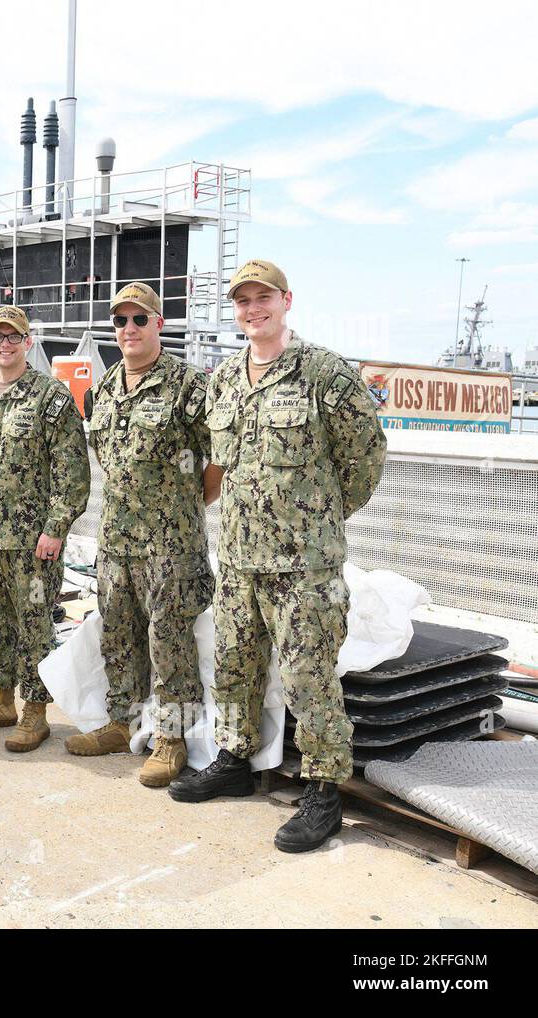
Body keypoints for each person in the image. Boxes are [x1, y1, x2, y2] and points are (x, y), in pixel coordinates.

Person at [168, 259, 387, 854]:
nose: (252, 309)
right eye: (242, 301)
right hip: (238, 558)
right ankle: (235, 761)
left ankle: (323, 793)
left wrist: (321, 516)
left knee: (308, 679)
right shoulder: (224, 381)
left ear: (286, 301)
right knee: (235, 668)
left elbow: (366, 454)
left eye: (263, 298)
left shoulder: (323, 373)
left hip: (303, 566)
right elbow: (218, 461)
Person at [67, 282, 217, 787]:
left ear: (159, 324)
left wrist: (187, 505)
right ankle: (121, 722)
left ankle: (171, 739)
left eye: (139, 319)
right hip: (117, 541)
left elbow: (214, 461)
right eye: (120, 321)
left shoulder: (189, 387)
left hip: (172, 545)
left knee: (169, 639)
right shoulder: (105, 389)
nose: (128, 329)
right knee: (118, 633)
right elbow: (108, 458)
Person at [0, 306, 90, 752]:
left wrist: (55, 529)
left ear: (27, 342)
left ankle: (34, 711)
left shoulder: (50, 397)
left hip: (33, 542)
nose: (5, 344)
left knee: (33, 626)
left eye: (14, 337)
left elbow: (72, 472)